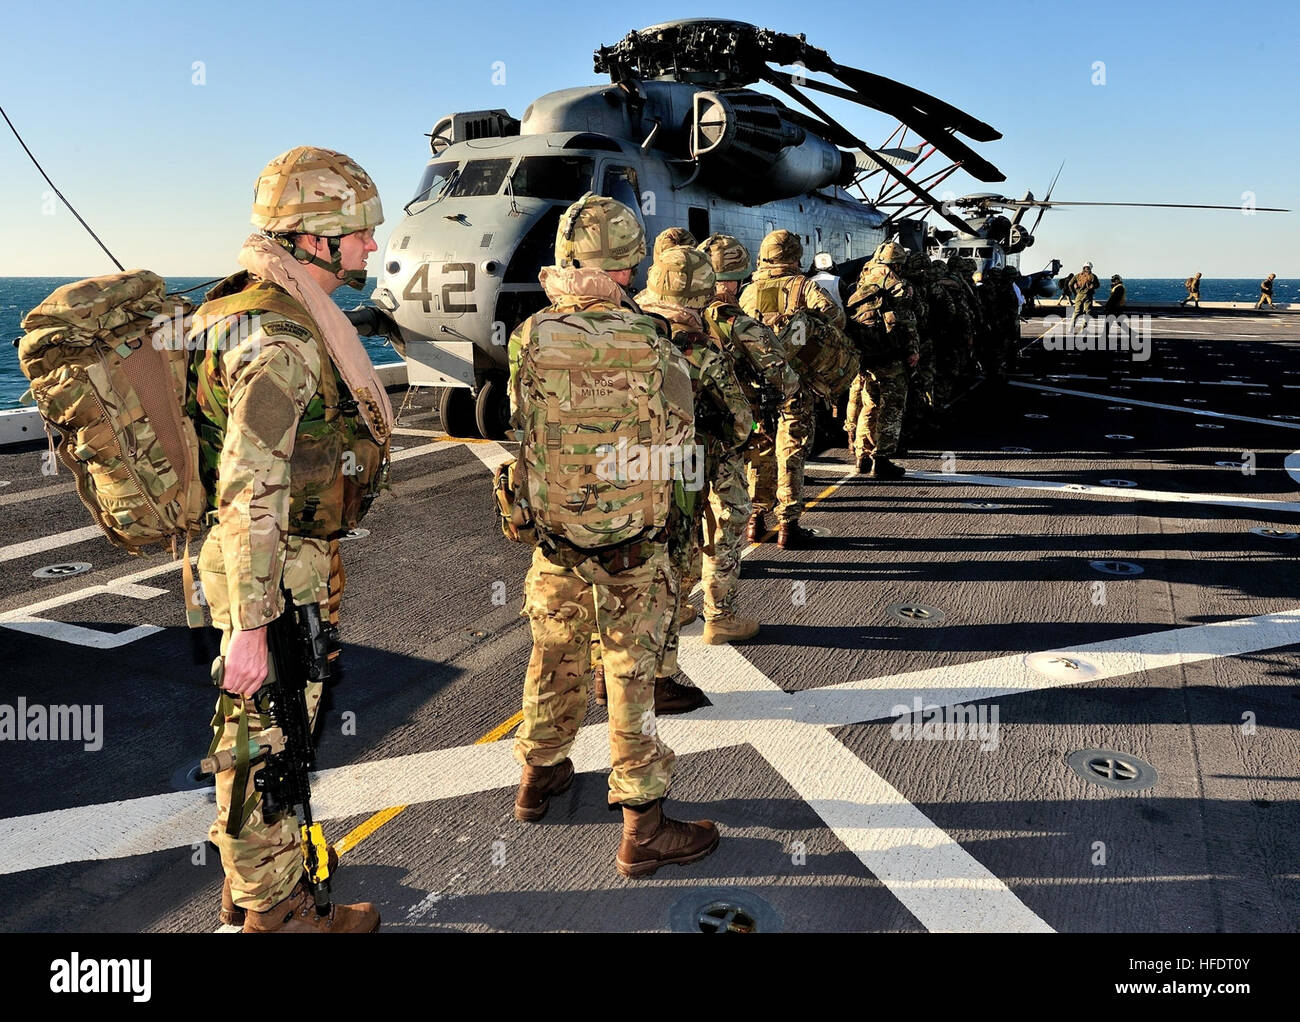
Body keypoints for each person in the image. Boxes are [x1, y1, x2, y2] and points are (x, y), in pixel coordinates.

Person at [190, 146, 392, 933]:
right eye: (359, 233)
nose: (371, 247)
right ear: (315, 239)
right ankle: (278, 913)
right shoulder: (285, 340)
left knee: (255, 735)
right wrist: (249, 624)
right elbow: (249, 487)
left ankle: (249, 883)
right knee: (266, 741)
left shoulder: (228, 307)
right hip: (271, 567)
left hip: (251, 558)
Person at [506, 193, 720, 877]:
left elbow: (524, 430)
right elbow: (682, 441)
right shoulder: (655, 344)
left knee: (554, 657)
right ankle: (643, 829)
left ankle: (538, 779)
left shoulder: (529, 335)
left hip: (556, 543)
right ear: (628, 268)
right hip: (632, 550)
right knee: (629, 678)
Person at [638, 246, 756, 664]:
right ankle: (719, 616)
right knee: (729, 517)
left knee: (668, 534)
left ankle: (673, 609)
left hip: (634, 459)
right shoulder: (694, 343)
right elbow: (740, 420)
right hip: (696, 454)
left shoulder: (627, 325)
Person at [739, 229, 847, 548]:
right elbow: (834, 317)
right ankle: (787, 524)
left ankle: (755, 520)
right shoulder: (804, 286)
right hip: (795, 384)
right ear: (795, 256)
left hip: (757, 384)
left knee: (759, 448)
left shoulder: (750, 290)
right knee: (792, 450)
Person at [697, 233, 799, 540]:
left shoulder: (663, 312)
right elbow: (785, 376)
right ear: (730, 282)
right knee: (727, 505)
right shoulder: (733, 320)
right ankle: (728, 552)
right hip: (728, 426)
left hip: (680, 428)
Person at [845, 241, 919, 479]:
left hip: (866, 354)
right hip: (891, 356)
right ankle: (881, 459)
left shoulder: (863, 279)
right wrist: (913, 350)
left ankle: (861, 457)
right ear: (897, 263)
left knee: (869, 405)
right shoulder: (898, 284)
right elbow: (907, 321)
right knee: (891, 407)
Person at [1070, 262, 1100, 327]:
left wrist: (1075, 292)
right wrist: (1093, 286)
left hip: (1079, 295)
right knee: (1087, 313)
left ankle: (1071, 328)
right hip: (1088, 296)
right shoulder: (1093, 276)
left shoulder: (1077, 275)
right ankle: (1083, 330)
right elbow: (1097, 285)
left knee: (1076, 312)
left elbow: (1070, 284)